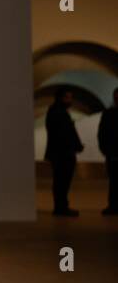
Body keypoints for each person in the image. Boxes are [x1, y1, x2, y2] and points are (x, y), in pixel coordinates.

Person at [44, 86, 84, 217]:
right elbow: (64, 134)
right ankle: (61, 207)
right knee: (62, 181)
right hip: (63, 153)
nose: (70, 100)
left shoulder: (55, 111)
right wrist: (76, 145)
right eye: (67, 97)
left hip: (60, 153)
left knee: (60, 181)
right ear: (61, 98)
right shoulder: (59, 112)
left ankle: (61, 206)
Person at [98, 87, 118, 216]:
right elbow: (102, 133)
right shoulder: (108, 113)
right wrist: (105, 149)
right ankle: (113, 205)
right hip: (112, 153)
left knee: (114, 180)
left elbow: (102, 133)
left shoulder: (108, 114)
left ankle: (113, 206)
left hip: (111, 152)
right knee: (114, 180)